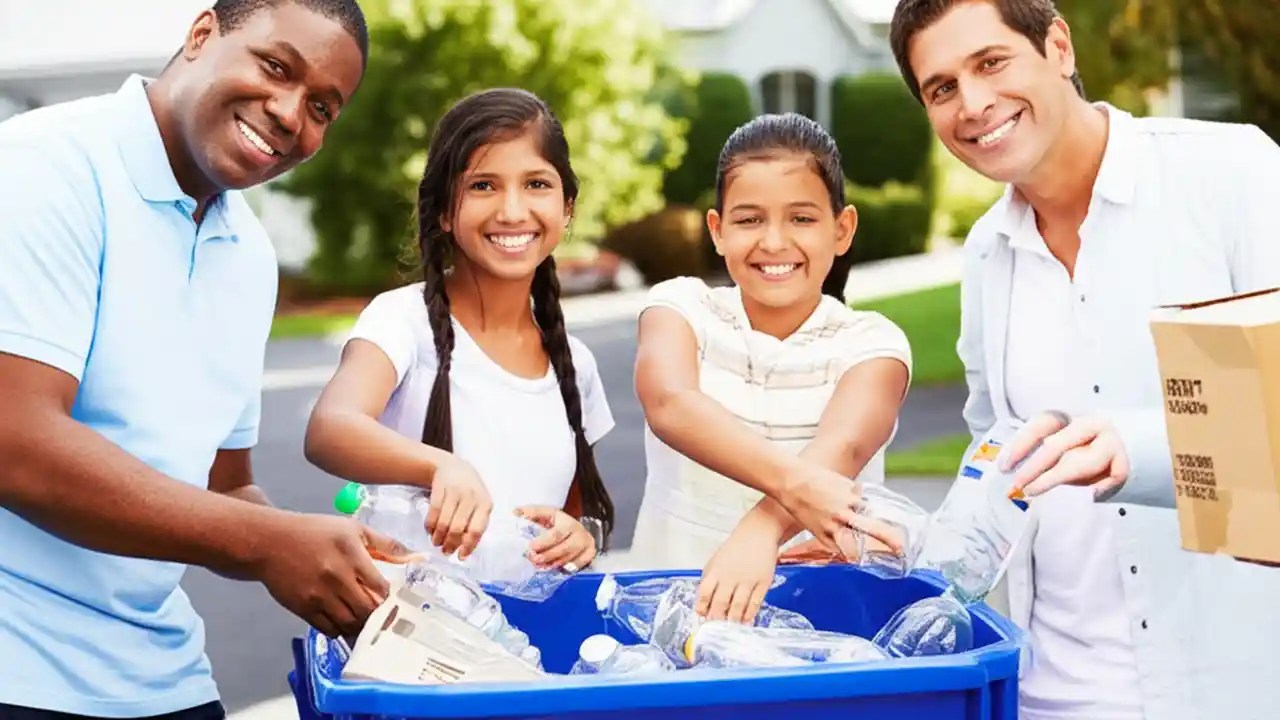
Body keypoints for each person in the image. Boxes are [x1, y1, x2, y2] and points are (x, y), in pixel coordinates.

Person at [0, 2, 408, 718]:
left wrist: (328, 554)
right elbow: (15, 441)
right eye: (275, 67)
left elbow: (226, 485)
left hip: (164, 678)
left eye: (322, 107)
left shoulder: (248, 253)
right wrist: (269, 543)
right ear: (200, 35)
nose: (289, 113)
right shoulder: (43, 166)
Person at [889, 1, 1280, 718]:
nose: (973, 104)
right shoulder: (985, 252)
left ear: (1058, 46)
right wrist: (901, 542)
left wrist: (1139, 447)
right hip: (1051, 693)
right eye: (942, 88)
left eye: (991, 62)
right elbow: (1001, 457)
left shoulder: (1233, 175)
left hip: (1227, 689)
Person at [304, 87, 615, 576]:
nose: (513, 210)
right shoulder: (401, 322)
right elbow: (329, 429)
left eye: (536, 184)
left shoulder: (574, 363)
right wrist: (439, 465)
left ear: (567, 207)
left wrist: (576, 538)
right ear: (445, 212)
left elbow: (573, 516)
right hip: (412, 637)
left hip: (523, 643)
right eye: (483, 186)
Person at [630, 113, 913, 623]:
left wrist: (761, 529)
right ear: (717, 230)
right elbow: (670, 403)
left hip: (821, 626)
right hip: (666, 620)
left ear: (842, 228)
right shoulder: (681, 307)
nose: (775, 242)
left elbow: (842, 448)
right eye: (748, 219)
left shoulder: (872, 342)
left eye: (802, 218)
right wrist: (796, 490)